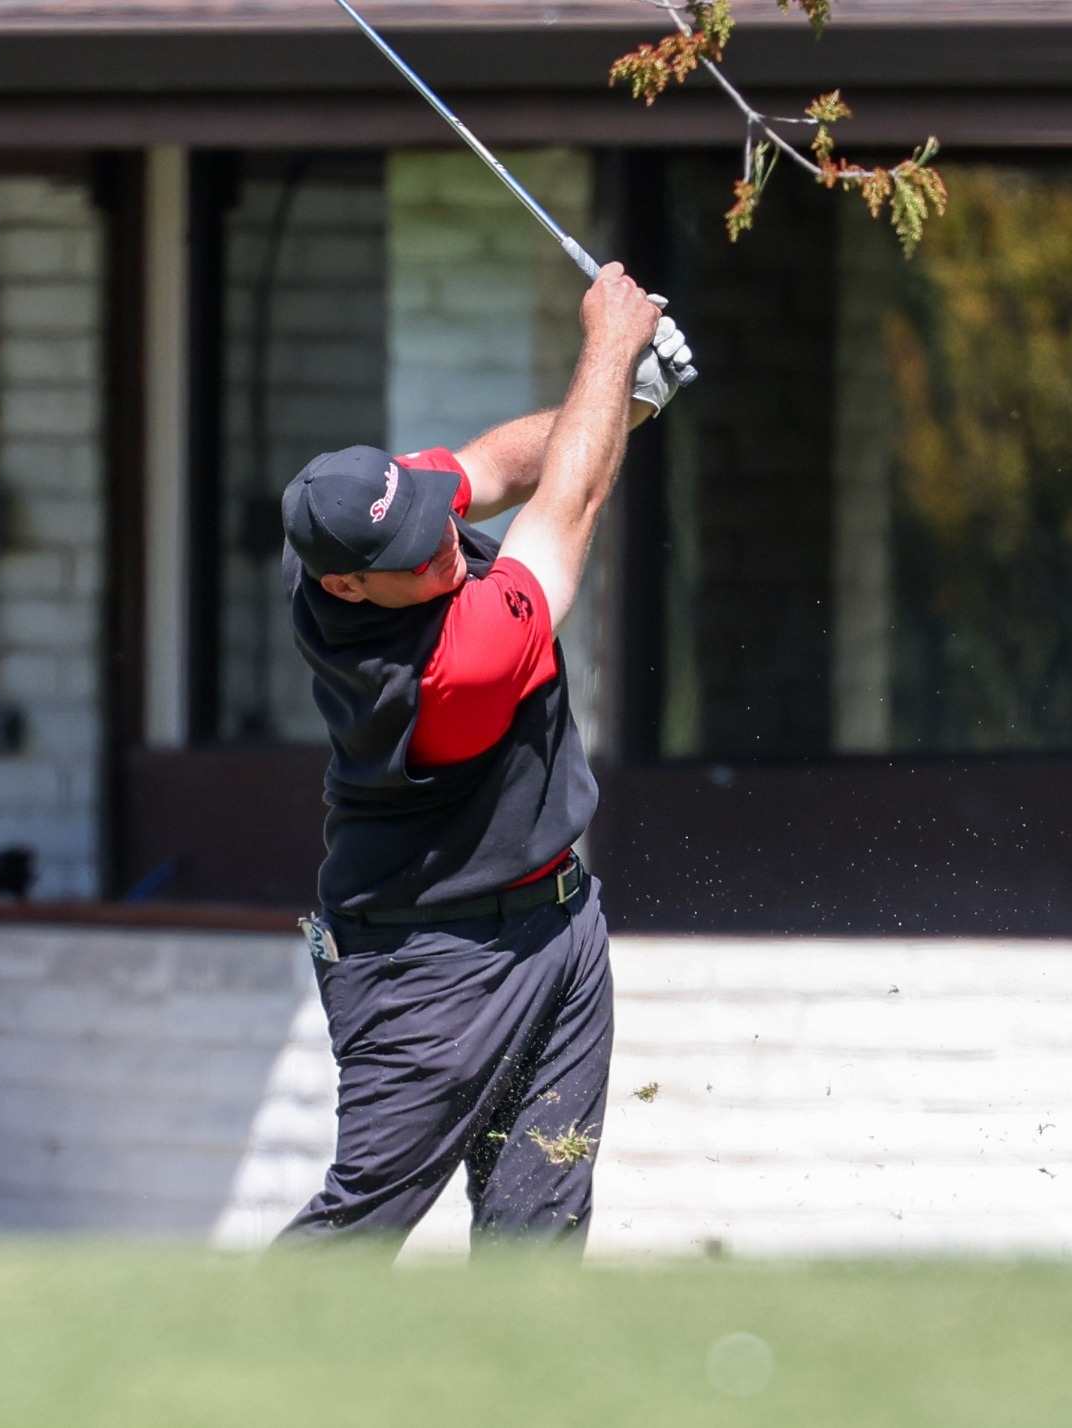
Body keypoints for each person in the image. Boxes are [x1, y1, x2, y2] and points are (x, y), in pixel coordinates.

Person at [272, 263, 692, 1254]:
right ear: (346, 585)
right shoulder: (442, 673)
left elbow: (498, 465)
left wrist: (628, 398)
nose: (445, 550)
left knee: (537, 1236)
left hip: (557, 930)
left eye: (431, 529)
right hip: (429, 970)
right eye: (414, 560)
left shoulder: (369, 531)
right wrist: (609, 344)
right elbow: (571, 500)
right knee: (361, 1220)